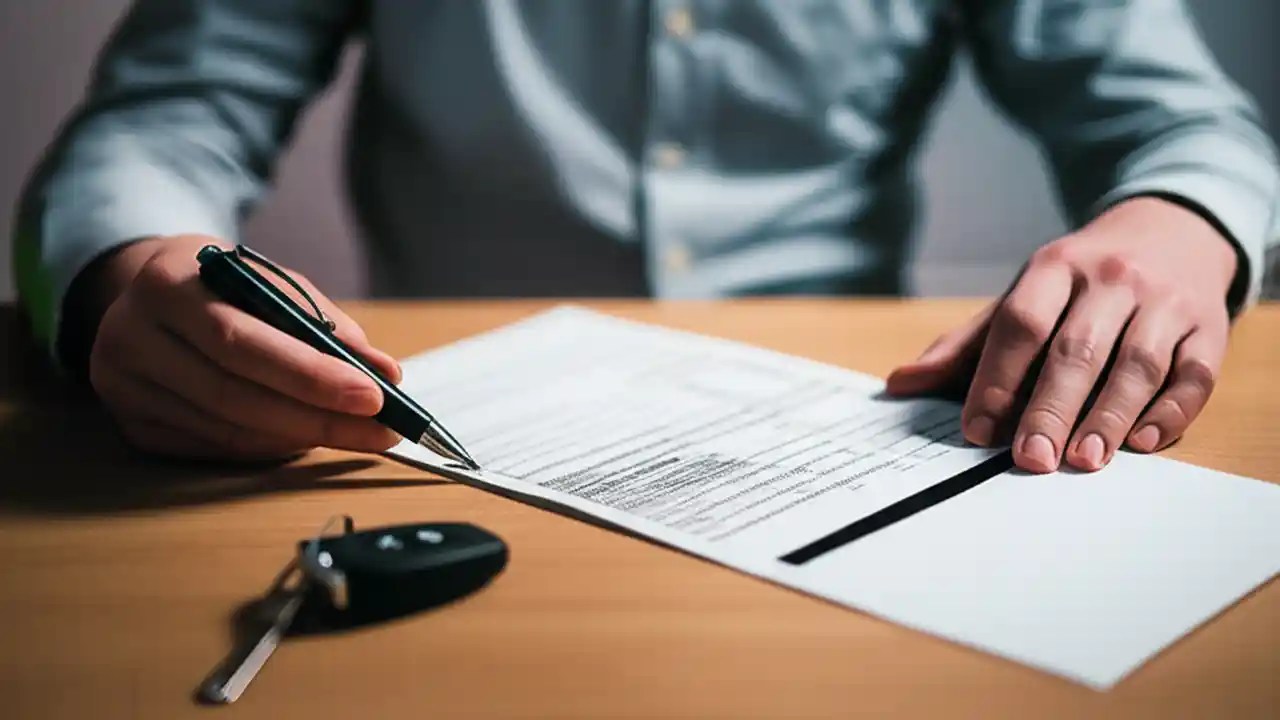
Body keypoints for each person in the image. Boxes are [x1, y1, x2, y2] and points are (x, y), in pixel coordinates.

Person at [12, 1, 1278, 473]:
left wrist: (1180, 224)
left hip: (847, 432)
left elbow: (1181, 124)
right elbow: (167, 113)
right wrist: (128, 274)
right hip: (444, 426)